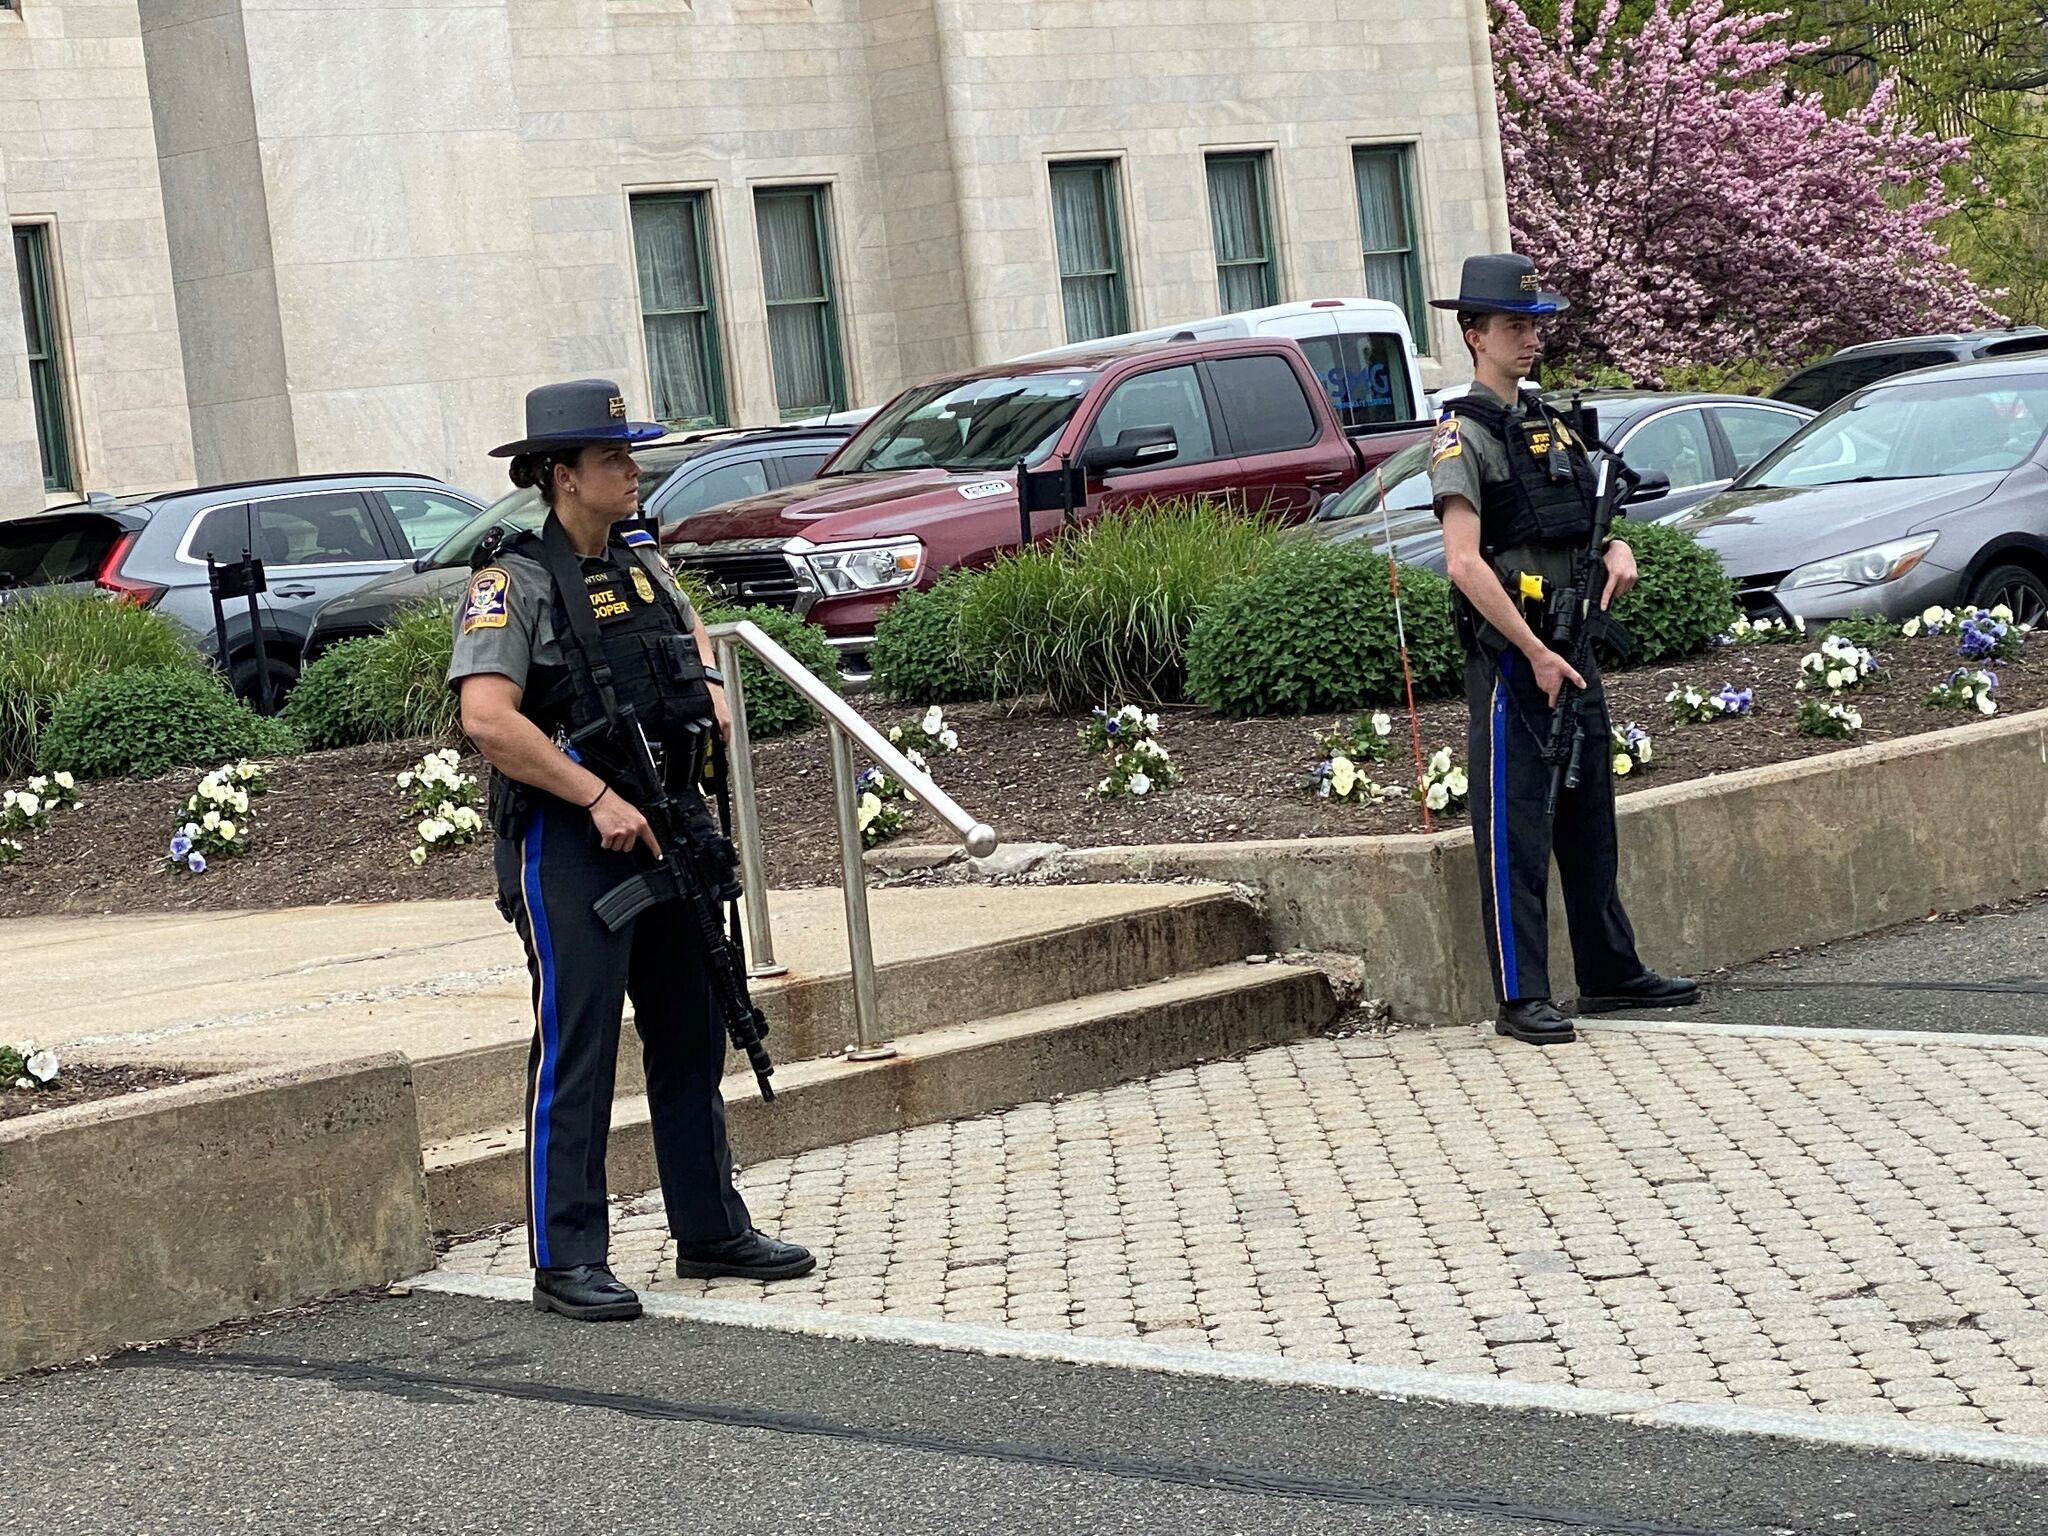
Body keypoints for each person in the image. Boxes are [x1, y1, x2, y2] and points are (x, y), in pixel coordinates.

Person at [449, 378, 814, 1321]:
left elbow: (682, 630)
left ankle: (710, 1229)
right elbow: (488, 720)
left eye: (630, 454)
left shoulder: (640, 562)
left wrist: (706, 680)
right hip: (572, 843)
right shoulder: (511, 583)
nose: (632, 469)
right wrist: (595, 795)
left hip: (671, 825)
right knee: (578, 1047)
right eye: (613, 459)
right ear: (561, 476)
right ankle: (565, 1257)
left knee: (692, 1031)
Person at [1425, 256, 1699, 1046]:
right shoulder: (1462, 438)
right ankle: (1521, 998)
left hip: (1572, 646)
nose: (1530, 338)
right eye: (1514, 326)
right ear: (1474, 336)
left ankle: (1611, 972)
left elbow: (1579, 517)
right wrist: (1530, 652)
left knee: (1588, 817)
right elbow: (1464, 562)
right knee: (1514, 829)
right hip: (1516, 660)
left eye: (1536, 324)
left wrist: (1617, 549)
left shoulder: (1551, 425)